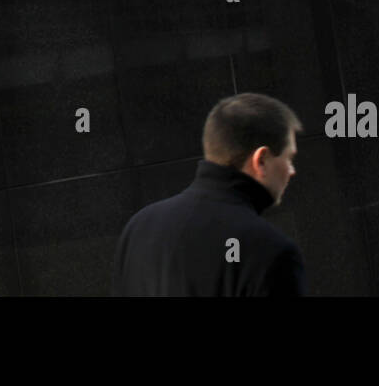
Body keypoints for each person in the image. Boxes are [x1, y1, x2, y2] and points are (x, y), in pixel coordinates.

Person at [111, 92, 306, 296]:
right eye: (289, 158)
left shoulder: (139, 228)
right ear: (261, 160)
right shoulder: (271, 251)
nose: (291, 171)